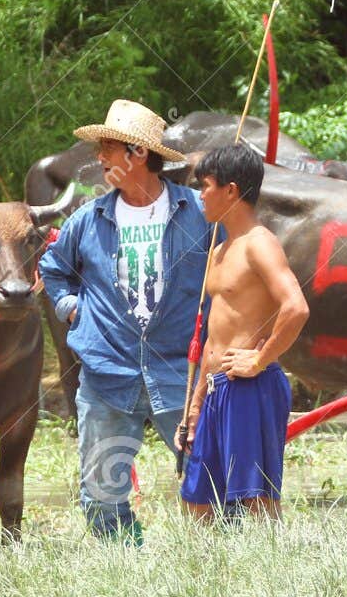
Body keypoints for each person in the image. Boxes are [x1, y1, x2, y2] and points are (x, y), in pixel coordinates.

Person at [39, 100, 213, 540]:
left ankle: (210, 564)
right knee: (101, 493)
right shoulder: (88, 218)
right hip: (106, 372)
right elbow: (54, 268)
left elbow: (229, 272)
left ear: (136, 154)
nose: (100, 158)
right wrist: (70, 307)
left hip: (181, 371)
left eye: (108, 148)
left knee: (206, 479)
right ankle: (124, 563)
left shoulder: (198, 213)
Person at [178, 142, 309, 519]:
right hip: (217, 389)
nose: (200, 195)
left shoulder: (259, 244)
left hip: (251, 386)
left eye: (205, 185)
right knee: (198, 501)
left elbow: (296, 307)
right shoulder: (220, 250)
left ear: (231, 190)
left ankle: (275, 576)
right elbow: (214, 336)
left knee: (257, 498)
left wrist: (260, 359)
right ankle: (205, 577)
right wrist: (197, 403)